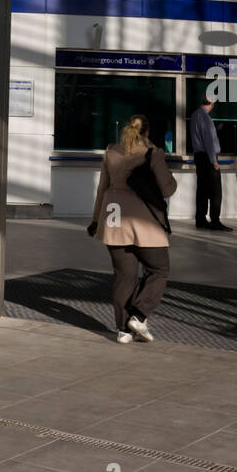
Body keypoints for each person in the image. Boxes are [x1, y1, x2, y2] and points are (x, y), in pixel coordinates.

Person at [88, 114, 177, 343]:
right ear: (146, 132)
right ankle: (138, 315)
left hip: (114, 220)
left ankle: (123, 331)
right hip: (143, 221)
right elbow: (168, 189)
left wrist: (96, 220)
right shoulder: (152, 153)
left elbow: (102, 189)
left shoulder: (111, 152)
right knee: (159, 269)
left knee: (124, 276)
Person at [190, 97, 232, 231]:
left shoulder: (195, 115)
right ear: (212, 104)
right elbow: (209, 141)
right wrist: (214, 161)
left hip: (199, 156)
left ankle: (200, 219)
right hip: (208, 157)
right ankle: (215, 220)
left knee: (202, 190)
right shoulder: (206, 118)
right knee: (215, 191)